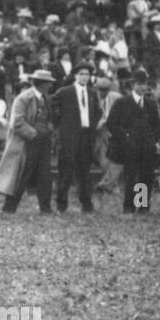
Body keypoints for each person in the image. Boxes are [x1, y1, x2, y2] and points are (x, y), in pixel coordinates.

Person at [0, 69, 55, 214]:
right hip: (27, 143)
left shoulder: (46, 98)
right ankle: (9, 208)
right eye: (47, 83)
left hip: (43, 142)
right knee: (20, 175)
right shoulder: (23, 98)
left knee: (45, 175)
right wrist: (34, 134)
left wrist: (49, 129)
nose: (50, 86)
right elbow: (17, 123)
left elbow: (48, 118)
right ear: (40, 83)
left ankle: (46, 209)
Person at [105, 68, 160, 214]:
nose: (144, 87)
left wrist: (152, 140)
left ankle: (142, 206)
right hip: (129, 147)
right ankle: (128, 207)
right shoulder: (121, 103)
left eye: (146, 84)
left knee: (146, 176)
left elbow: (158, 126)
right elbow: (112, 124)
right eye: (141, 84)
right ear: (133, 85)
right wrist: (126, 136)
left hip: (147, 147)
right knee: (131, 176)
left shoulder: (151, 104)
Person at [51, 62, 99, 213]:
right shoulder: (65, 91)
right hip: (70, 136)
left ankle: (86, 203)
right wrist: (62, 124)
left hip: (86, 136)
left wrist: (92, 125)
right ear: (75, 75)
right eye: (82, 74)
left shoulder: (92, 93)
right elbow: (52, 106)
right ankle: (61, 203)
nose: (85, 77)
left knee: (85, 171)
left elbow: (98, 111)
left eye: (87, 74)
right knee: (66, 170)